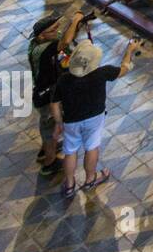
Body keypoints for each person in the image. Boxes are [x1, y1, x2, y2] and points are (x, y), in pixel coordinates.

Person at [51, 35, 142, 198]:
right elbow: (124, 69)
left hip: (71, 121)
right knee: (91, 147)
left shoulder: (64, 79)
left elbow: (55, 103)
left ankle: (70, 184)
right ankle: (90, 179)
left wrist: (58, 123)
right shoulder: (102, 73)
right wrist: (129, 50)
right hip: (95, 118)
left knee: (70, 151)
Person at [27, 10, 83, 178]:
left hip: (42, 92)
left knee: (46, 125)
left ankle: (45, 151)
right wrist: (75, 21)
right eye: (53, 29)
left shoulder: (35, 43)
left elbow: (64, 38)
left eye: (58, 27)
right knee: (51, 127)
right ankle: (49, 163)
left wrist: (75, 25)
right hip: (47, 97)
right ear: (42, 36)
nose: (58, 31)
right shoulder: (45, 48)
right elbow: (65, 41)